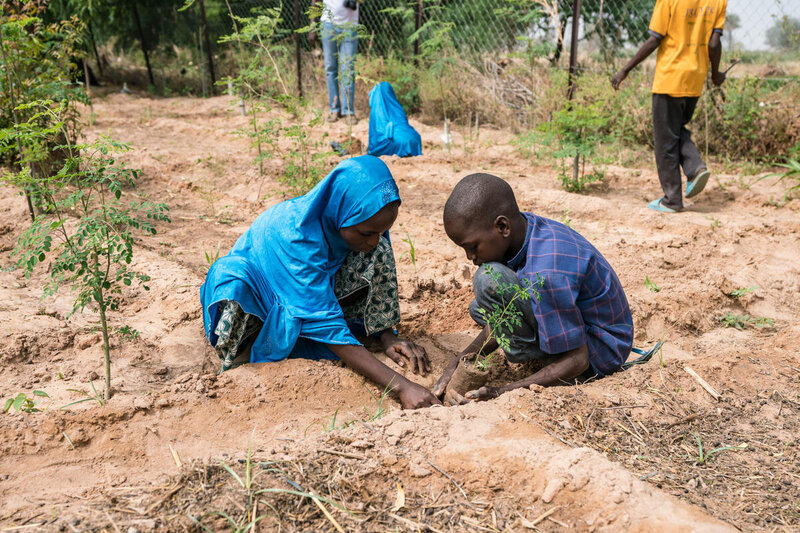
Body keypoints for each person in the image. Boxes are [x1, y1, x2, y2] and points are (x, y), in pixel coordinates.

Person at [200, 155, 440, 409]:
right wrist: (402, 386)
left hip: (306, 295)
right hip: (261, 298)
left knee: (377, 252)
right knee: (235, 284)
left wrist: (386, 334)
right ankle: (247, 354)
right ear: (340, 209)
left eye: (380, 232)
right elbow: (325, 321)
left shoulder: (356, 222)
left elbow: (376, 271)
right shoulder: (296, 236)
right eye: (367, 233)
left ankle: (312, 332)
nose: (372, 240)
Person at [433, 174, 634, 404]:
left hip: (598, 354)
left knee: (489, 280)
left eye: (472, 247)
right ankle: (544, 348)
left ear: (502, 226)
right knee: (479, 307)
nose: (471, 258)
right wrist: (460, 360)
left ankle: (547, 358)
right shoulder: (523, 230)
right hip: (577, 325)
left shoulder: (546, 271)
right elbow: (503, 316)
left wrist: (502, 391)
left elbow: (578, 359)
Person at [611, 0, 727, 213]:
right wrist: (716, 72)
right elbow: (713, 44)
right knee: (674, 130)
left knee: (665, 140)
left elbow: (655, 38)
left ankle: (672, 199)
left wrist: (625, 70)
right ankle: (694, 167)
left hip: (670, 77)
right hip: (695, 77)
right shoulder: (719, 1)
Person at [309, 0, 359, 124]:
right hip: (328, 25)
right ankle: (334, 109)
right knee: (330, 68)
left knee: (347, 69)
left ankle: (348, 111)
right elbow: (315, 1)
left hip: (350, 25)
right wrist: (312, 27)